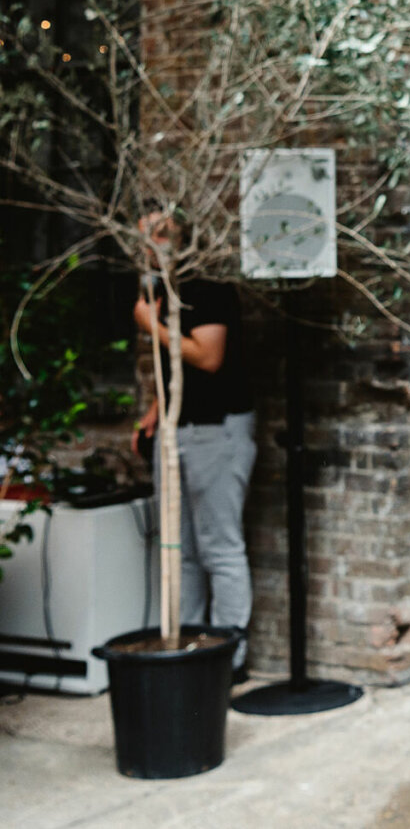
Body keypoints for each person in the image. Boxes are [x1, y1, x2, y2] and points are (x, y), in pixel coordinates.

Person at [132, 214, 258, 673]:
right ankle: (186, 648)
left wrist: (151, 324)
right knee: (177, 548)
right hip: (177, 429)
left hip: (216, 429)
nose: (150, 243)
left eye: (160, 233)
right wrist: (154, 414)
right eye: (143, 234)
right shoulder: (159, 288)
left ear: (184, 236)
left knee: (219, 547)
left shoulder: (206, 287)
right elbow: (174, 373)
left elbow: (207, 356)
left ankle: (229, 656)